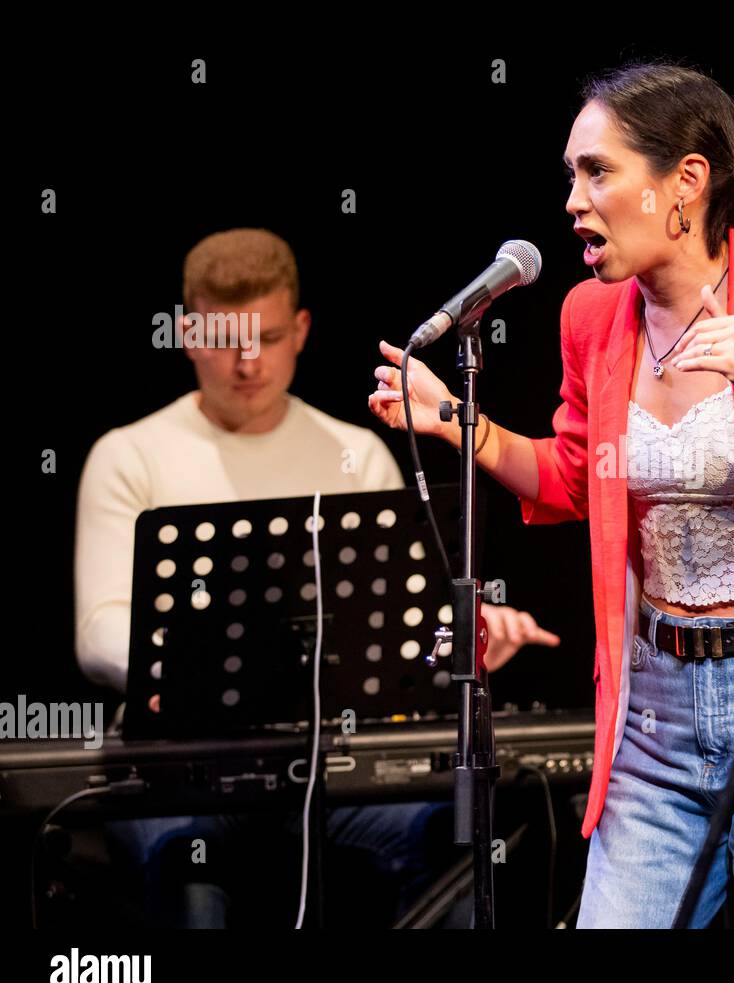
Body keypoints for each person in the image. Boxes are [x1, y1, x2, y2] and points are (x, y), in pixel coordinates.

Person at [371, 62, 734, 928]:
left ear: (686, 181)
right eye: (571, 174)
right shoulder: (590, 317)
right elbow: (575, 477)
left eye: (597, 172)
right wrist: (459, 422)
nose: (573, 200)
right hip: (652, 716)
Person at [75, 227, 559, 926]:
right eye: (224, 337)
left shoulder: (354, 453)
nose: (248, 361)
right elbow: (97, 633)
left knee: (452, 841)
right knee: (186, 867)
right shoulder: (127, 456)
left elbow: (403, 623)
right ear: (185, 333)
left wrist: (462, 637)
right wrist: (181, 670)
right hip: (182, 767)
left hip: (336, 760)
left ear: (300, 330)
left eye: (267, 337)